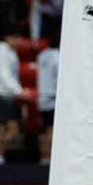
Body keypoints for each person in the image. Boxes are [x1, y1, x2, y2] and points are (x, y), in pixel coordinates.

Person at [0, 29, 23, 165]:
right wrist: (18, 90)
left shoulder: (10, 51)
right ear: (8, 37)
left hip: (6, 93)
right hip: (3, 94)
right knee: (13, 130)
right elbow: (3, 74)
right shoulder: (1, 49)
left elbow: (13, 74)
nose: (19, 41)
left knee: (2, 128)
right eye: (16, 38)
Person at [36, 30, 60, 165]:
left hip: (42, 98)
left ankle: (44, 158)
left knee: (44, 130)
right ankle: (49, 158)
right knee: (51, 130)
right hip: (53, 98)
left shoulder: (42, 55)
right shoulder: (58, 56)